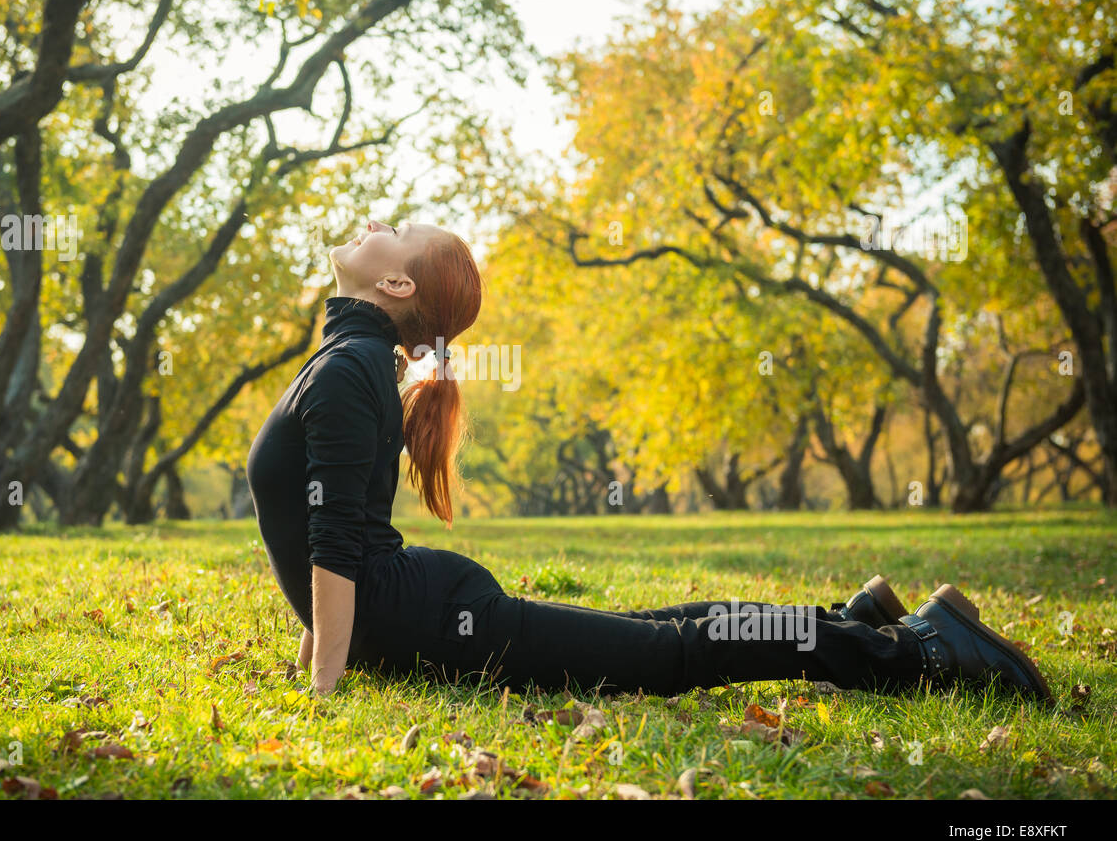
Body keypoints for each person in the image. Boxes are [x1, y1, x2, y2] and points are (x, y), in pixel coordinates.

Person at [245, 220, 1054, 705]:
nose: (375, 220)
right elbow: (329, 530)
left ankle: (918, 652)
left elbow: (334, 545)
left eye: (396, 229)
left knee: (669, 655)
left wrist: (324, 681)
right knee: (650, 637)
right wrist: (320, 654)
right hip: (428, 612)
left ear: (391, 281)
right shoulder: (352, 361)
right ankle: (851, 621)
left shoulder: (352, 366)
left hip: (437, 617)